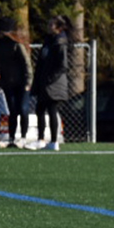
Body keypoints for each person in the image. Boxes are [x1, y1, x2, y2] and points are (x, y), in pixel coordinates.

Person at [0, 16, 32, 147]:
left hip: (22, 83)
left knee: (23, 109)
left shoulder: (16, 45)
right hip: (8, 83)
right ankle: (12, 138)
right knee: (12, 111)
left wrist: (28, 82)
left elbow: (26, 64)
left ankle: (23, 137)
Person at [31, 14, 72, 151]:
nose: (48, 28)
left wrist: (50, 79)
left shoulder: (60, 43)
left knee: (52, 110)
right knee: (40, 109)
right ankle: (41, 139)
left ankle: (54, 141)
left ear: (59, 28)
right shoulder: (49, 41)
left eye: (51, 25)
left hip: (54, 83)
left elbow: (63, 65)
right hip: (45, 82)